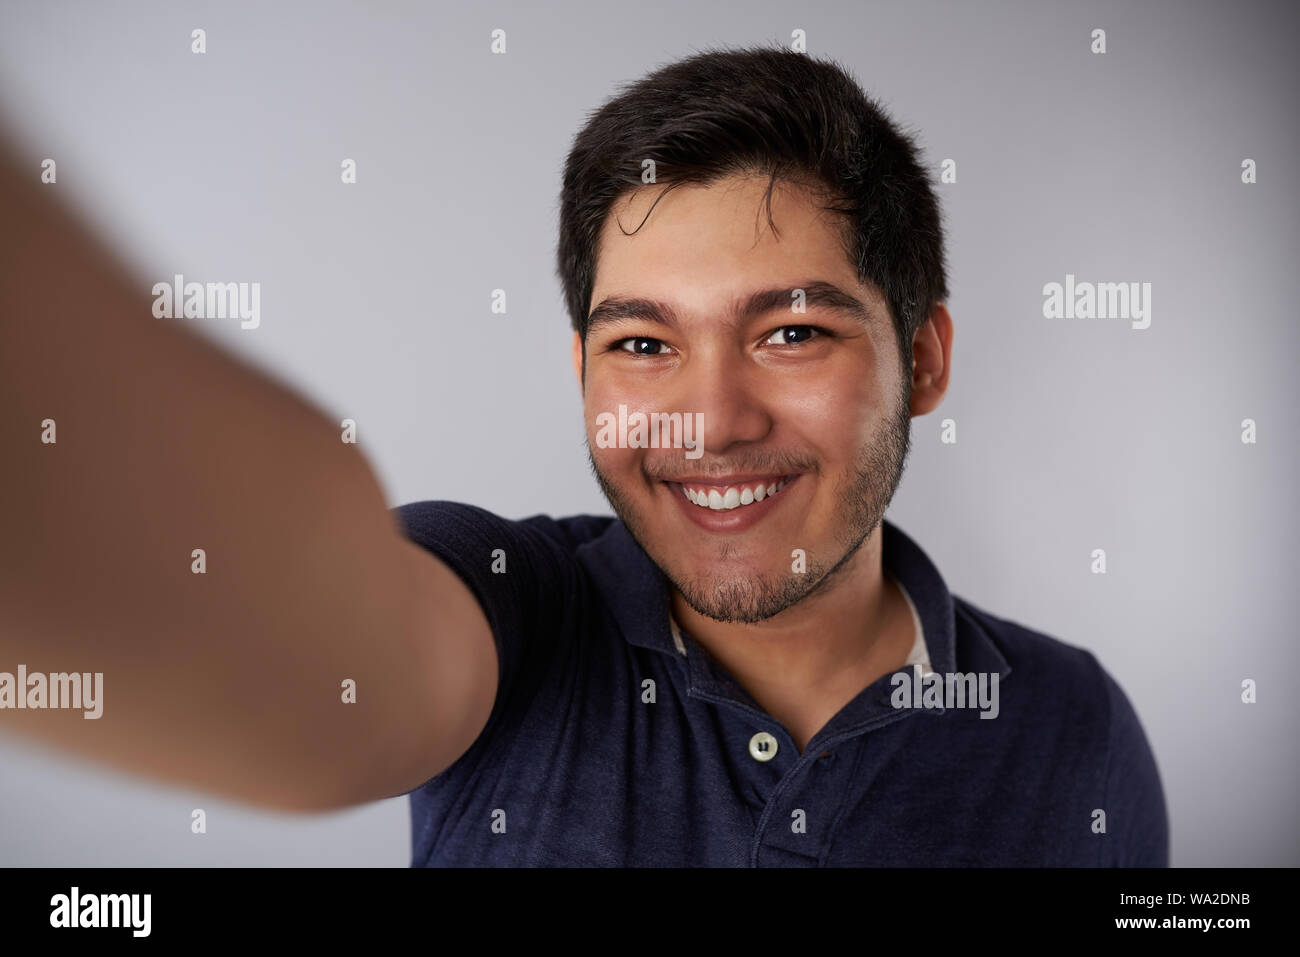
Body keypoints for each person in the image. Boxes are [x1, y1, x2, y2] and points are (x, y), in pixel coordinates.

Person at [0, 44, 1167, 866]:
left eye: (792, 332)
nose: (706, 422)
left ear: (925, 357)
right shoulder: (511, 615)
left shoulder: (1074, 726)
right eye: (644, 342)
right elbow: (308, 657)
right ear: (582, 373)